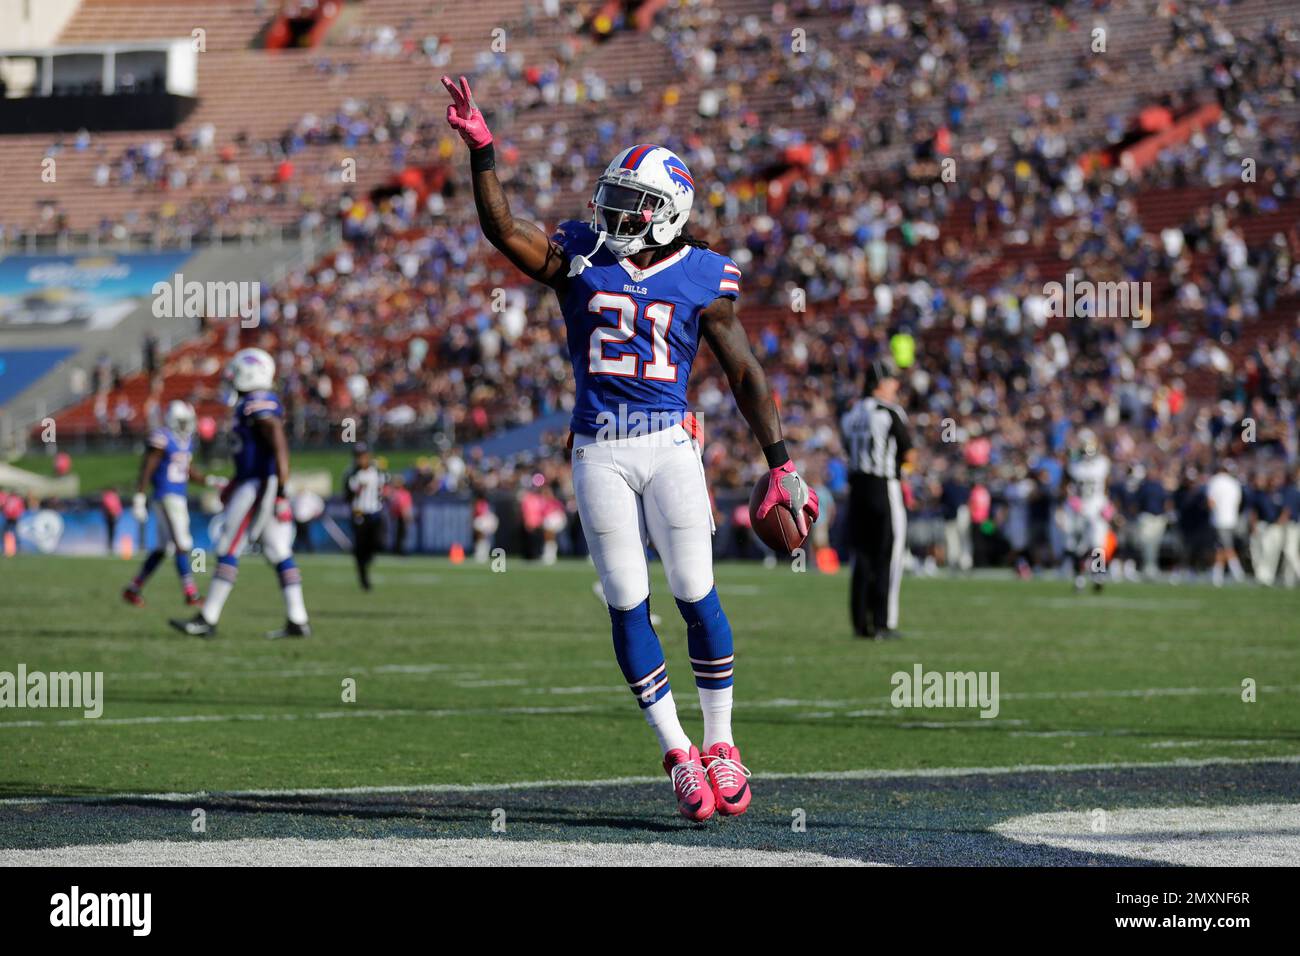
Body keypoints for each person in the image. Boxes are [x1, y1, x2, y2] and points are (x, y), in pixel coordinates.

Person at [442, 75, 818, 821]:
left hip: (670, 445)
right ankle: (678, 751)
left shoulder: (703, 275)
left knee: (695, 593)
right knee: (626, 602)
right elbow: (503, 230)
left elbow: (744, 370)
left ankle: (722, 743)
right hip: (599, 452)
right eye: (612, 197)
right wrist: (483, 151)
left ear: (669, 213)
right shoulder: (582, 255)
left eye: (632, 203)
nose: (613, 213)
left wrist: (782, 460)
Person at [169, 348, 311, 638]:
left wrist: (280, 480)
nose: (230, 378)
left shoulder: (256, 402)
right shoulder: (249, 403)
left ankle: (207, 619)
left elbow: (274, 432)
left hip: (259, 484)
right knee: (277, 551)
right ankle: (298, 620)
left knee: (228, 547)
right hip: (258, 482)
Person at [840, 358, 914, 639]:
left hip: (857, 487)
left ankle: (861, 622)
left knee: (862, 556)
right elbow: (908, 453)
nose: (896, 385)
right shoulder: (890, 411)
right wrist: (904, 473)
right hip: (884, 486)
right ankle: (884, 621)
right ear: (881, 383)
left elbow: (849, 447)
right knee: (887, 555)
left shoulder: (851, 413)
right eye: (892, 380)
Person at [122, 400, 218, 608]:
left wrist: (210, 480)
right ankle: (191, 594)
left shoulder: (185, 441)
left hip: (177, 497)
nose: (187, 425)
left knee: (162, 548)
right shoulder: (162, 437)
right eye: (183, 421)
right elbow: (148, 467)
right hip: (166, 496)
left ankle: (133, 588)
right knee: (183, 544)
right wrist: (139, 496)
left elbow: (187, 471)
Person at [344, 443, 387, 590]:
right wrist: (356, 491)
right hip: (359, 513)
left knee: (378, 542)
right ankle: (363, 577)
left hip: (374, 512)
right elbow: (347, 496)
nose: (360, 459)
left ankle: (369, 557)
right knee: (360, 548)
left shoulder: (378, 472)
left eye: (362, 456)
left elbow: (383, 490)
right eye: (357, 456)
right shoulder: (352, 474)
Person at [1206, 462, 1245, 586]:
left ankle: (1238, 574)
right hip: (1232, 519)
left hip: (1219, 519)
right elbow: (1238, 502)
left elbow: (1210, 502)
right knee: (1221, 547)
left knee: (1226, 547)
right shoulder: (1234, 483)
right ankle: (1217, 576)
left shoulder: (1214, 481)